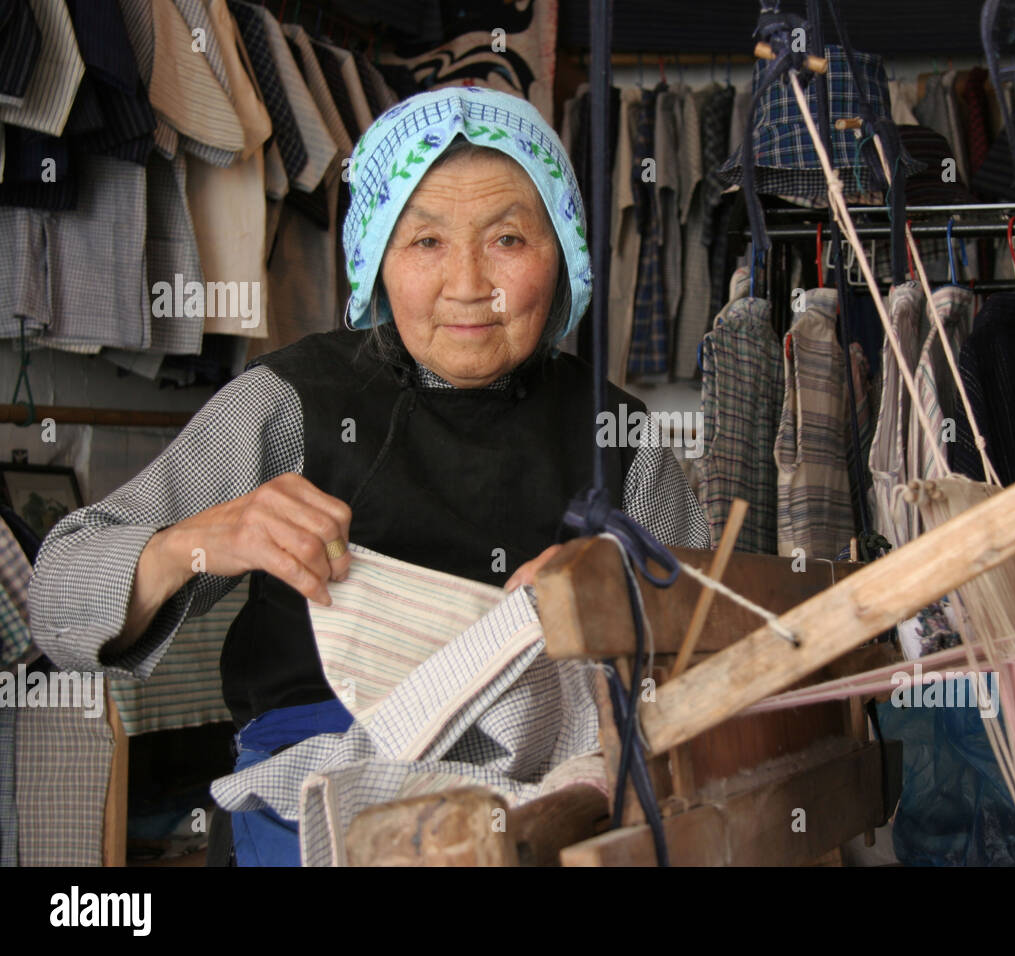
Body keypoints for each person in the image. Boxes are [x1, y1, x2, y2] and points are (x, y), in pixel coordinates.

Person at [29, 87, 711, 865]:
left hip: (545, 780)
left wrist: (612, 600)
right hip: (313, 785)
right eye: (424, 242)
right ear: (376, 256)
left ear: (565, 254)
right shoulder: (287, 403)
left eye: (510, 240)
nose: (466, 283)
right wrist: (190, 542)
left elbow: (711, 646)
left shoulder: (618, 437)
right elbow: (56, 597)